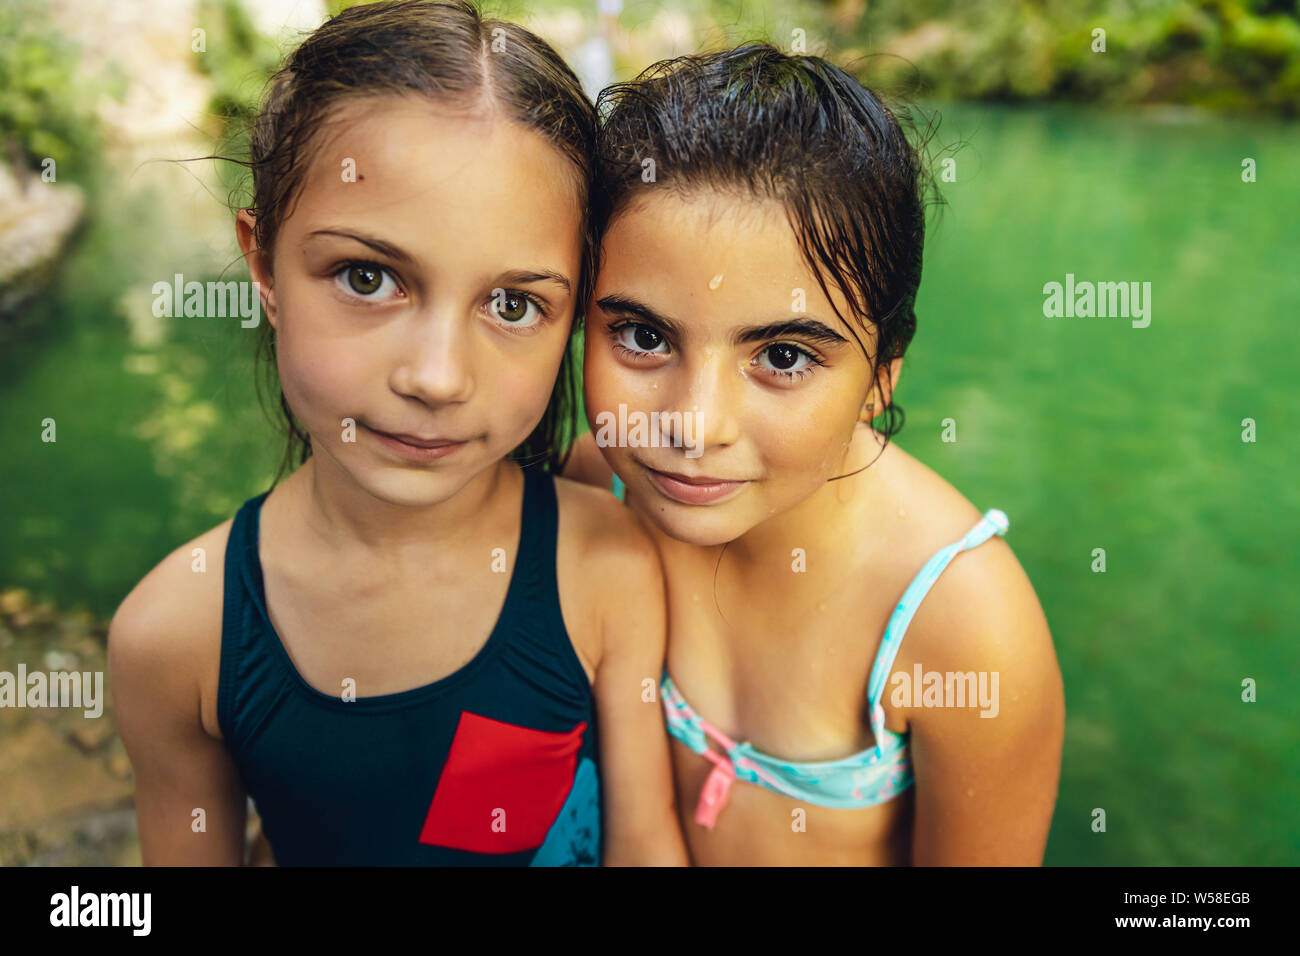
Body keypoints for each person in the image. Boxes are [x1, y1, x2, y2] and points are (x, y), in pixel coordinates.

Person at [109, 0, 686, 866]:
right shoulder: (174, 635)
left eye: (513, 304)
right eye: (368, 277)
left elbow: (646, 846)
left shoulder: (604, 565)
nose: (437, 377)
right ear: (263, 266)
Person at [565, 45, 1065, 864]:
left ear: (881, 376)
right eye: (644, 336)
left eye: (785, 357)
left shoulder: (959, 625)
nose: (694, 426)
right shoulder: (600, 484)